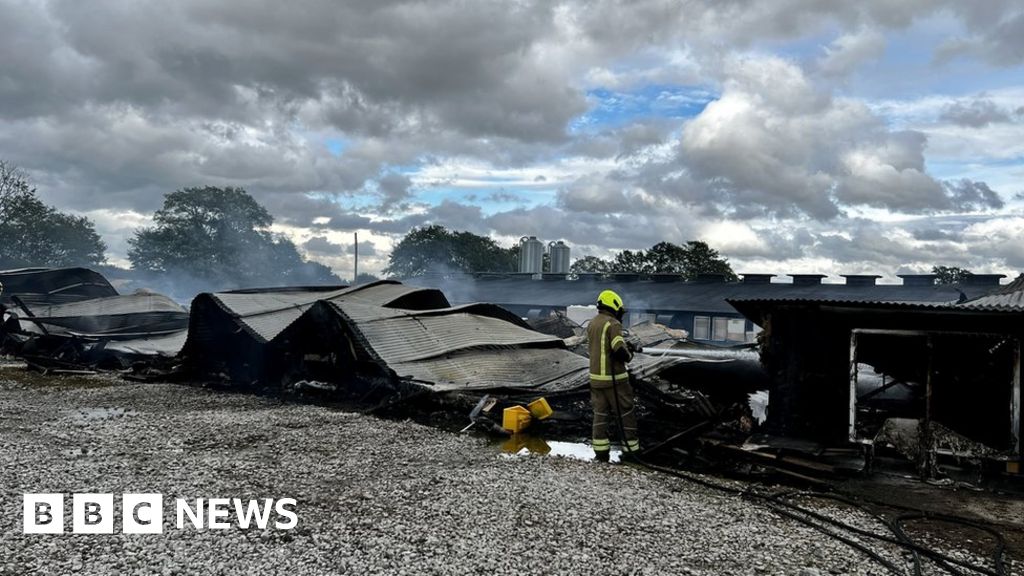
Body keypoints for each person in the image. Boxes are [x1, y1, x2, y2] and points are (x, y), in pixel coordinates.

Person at [587, 289, 639, 462]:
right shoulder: (613, 324)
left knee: (600, 415)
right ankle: (631, 452)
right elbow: (618, 350)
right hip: (614, 380)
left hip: (595, 379)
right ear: (614, 306)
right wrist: (630, 353)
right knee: (625, 414)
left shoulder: (593, 323)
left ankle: (601, 453)